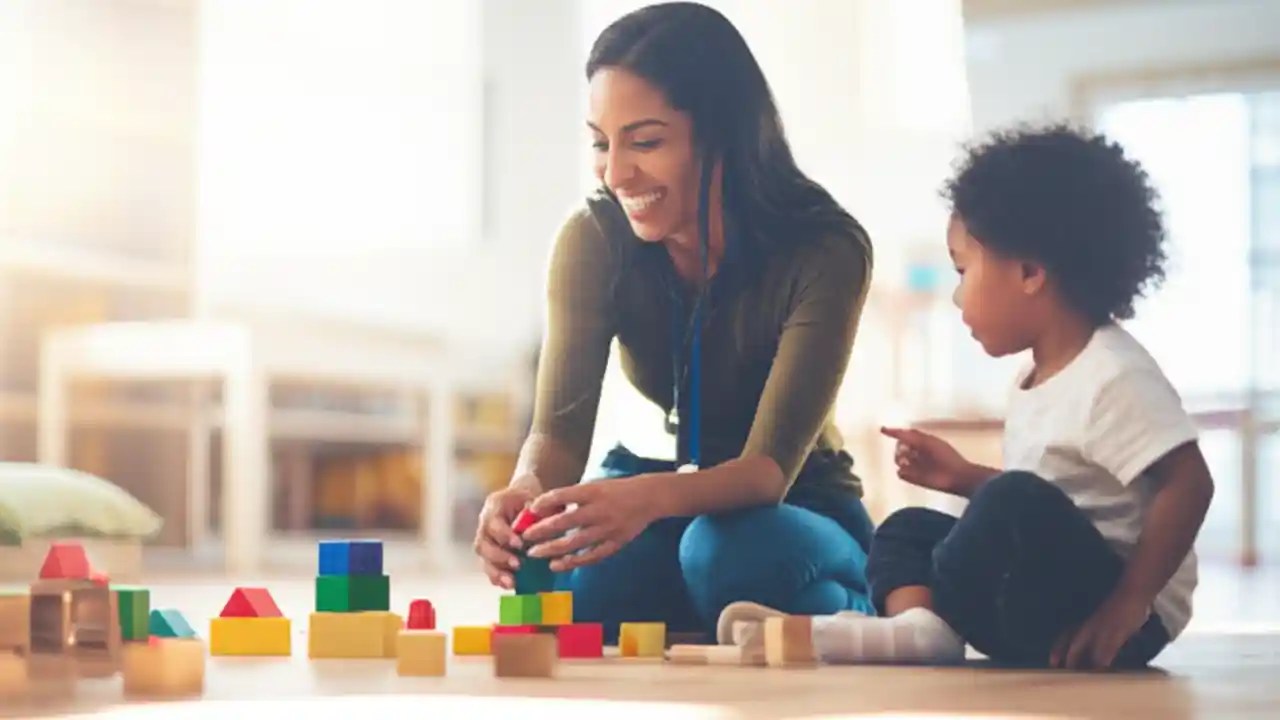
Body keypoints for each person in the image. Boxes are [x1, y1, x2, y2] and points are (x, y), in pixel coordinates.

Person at [718, 122, 1215, 670]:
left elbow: (1189, 483)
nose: (956, 296)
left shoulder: (1112, 374)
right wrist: (962, 478)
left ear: (1029, 272)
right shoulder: (1034, 380)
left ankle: (910, 628)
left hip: (1119, 615)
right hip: (1045, 597)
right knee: (907, 528)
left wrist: (1130, 602)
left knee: (1007, 502)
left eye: (963, 269)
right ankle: (919, 631)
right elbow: (1056, 503)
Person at [471, 1, 877, 641]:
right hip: (675, 501)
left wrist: (643, 500)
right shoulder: (593, 239)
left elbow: (765, 473)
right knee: (580, 578)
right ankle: (716, 616)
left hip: (799, 506)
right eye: (601, 143)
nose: (615, 172)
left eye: (646, 141)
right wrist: (523, 492)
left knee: (724, 556)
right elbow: (557, 435)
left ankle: (857, 609)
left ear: (723, 134)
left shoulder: (824, 249)